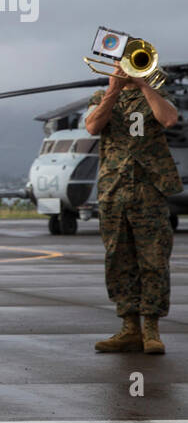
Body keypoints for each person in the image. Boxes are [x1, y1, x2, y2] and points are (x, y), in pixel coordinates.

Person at [85, 64, 180, 354]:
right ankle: (129, 328)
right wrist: (113, 90)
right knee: (118, 258)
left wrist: (144, 85)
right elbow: (92, 126)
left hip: (149, 189)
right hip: (114, 190)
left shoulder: (155, 93)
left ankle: (151, 330)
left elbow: (169, 119)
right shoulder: (102, 96)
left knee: (153, 259)